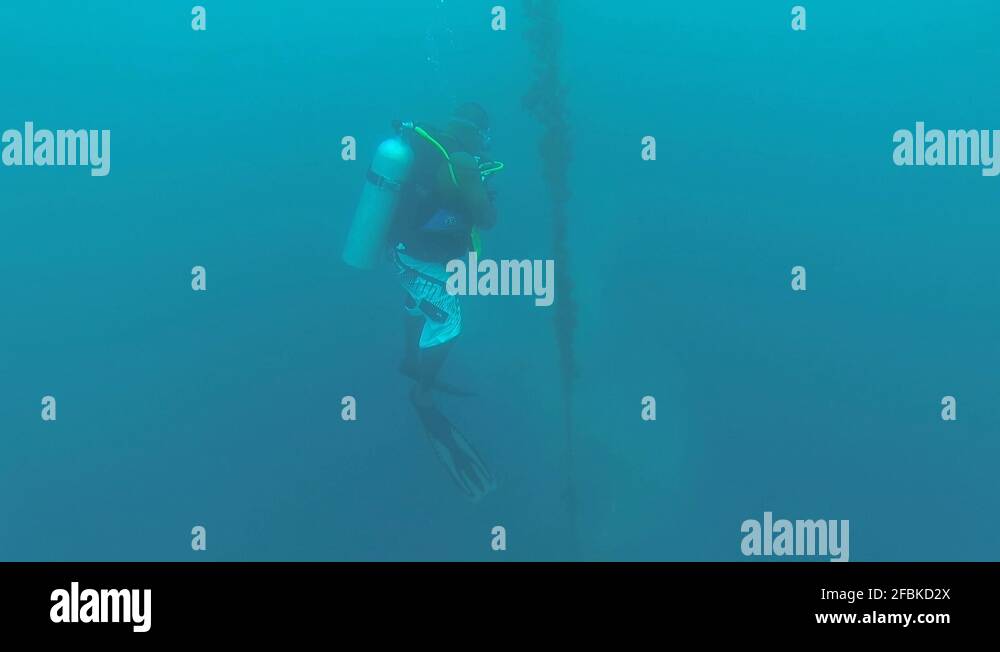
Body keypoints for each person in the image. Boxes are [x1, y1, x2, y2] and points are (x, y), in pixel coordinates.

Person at [371, 102, 501, 500]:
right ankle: (422, 393)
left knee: (416, 301)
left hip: (398, 251)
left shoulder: (422, 144)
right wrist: (477, 187)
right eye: (484, 135)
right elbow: (486, 218)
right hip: (423, 261)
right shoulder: (461, 161)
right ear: (475, 132)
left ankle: (412, 357)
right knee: (449, 321)